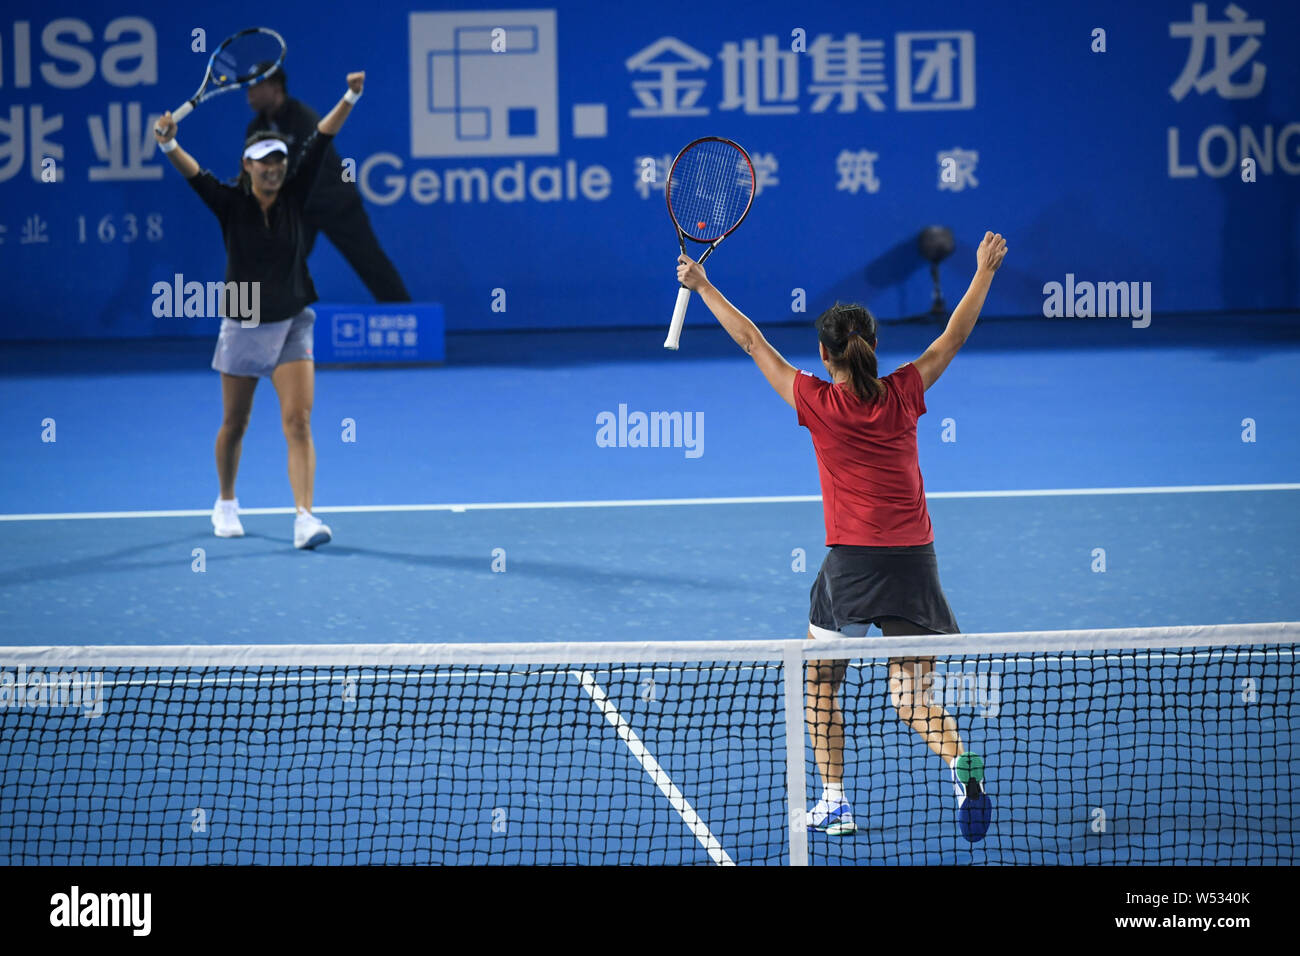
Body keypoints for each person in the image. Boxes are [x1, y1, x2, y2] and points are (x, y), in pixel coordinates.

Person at [676, 231, 1009, 843]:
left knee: (822, 683)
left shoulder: (815, 400)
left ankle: (834, 800)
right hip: (915, 564)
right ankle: (965, 773)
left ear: (825, 357)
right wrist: (983, 270)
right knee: (910, 700)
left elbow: (752, 340)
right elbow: (954, 335)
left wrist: (701, 286)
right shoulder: (907, 391)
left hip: (851, 567)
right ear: (875, 348)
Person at [155, 71, 370, 549]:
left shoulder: (296, 192)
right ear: (246, 167)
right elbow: (193, 173)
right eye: (262, 161)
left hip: (293, 319)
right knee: (236, 423)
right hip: (244, 317)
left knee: (298, 420)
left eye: (277, 160)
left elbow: (324, 135)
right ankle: (226, 502)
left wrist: (350, 95)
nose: (272, 167)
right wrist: (169, 144)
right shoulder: (229, 203)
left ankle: (304, 518)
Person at [245, 67, 410, 302]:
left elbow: (304, 168)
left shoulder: (303, 118)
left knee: (370, 263)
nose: (249, 93)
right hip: (300, 208)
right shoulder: (255, 129)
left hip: (335, 202)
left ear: (275, 87)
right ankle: (272, 322)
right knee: (281, 263)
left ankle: (406, 317)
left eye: (255, 86)